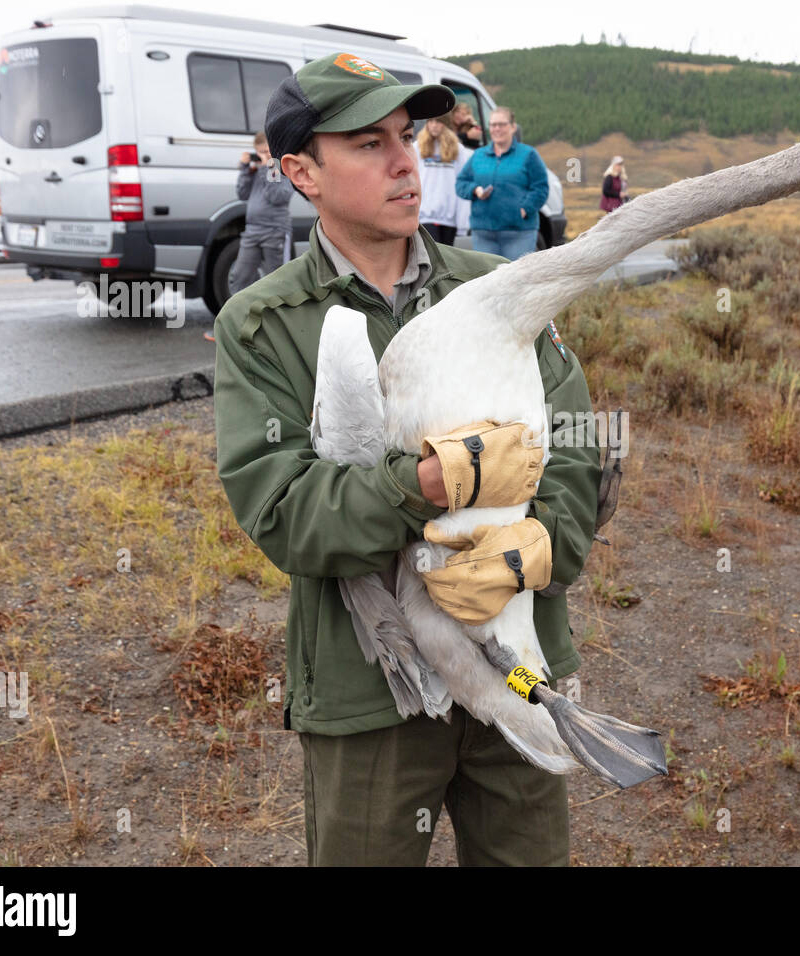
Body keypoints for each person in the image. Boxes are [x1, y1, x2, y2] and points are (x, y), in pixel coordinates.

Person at [211, 52, 601, 866]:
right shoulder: (262, 324)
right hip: (368, 700)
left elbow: (576, 450)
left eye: (408, 136)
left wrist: (545, 544)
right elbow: (283, 512)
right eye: (367, 143)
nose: (405, 162)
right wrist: (427, 481)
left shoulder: (499, 291)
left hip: (517, 673)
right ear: (300, 173)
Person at [455, 107, 549, 260]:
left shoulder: (528, 155)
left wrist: (525, 209)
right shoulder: (479, 155)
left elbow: (541, 188)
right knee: (487, 281)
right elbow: (461, 183)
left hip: (519, 233)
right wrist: (475, 190)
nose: (496, 129)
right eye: (493, 125)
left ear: (513, 127)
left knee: (516, 280)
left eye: (501, 124)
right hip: (483, 234)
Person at [229, 131, 295, 296]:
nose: (263, 156)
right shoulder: (257, 170)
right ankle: (239, 315)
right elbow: (242, 194)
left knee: (278, 278)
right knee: (239, 276)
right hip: (252, 231)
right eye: (260, 152)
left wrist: (271, 167)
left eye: (267, 152)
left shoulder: (281, 169)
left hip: (275, 231)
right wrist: (245, 169)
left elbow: (278, 197)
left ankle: (281, 317)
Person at [417, 111, 472, 246]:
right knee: (433, 257)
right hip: (426, 216)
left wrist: (463, 222)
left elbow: (463, 181)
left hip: (449, 217)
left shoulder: (458, 150)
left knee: (446, 259)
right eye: (431, 121)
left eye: (438, 121)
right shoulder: (417, 147)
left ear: (445, 124)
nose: (434, 125)